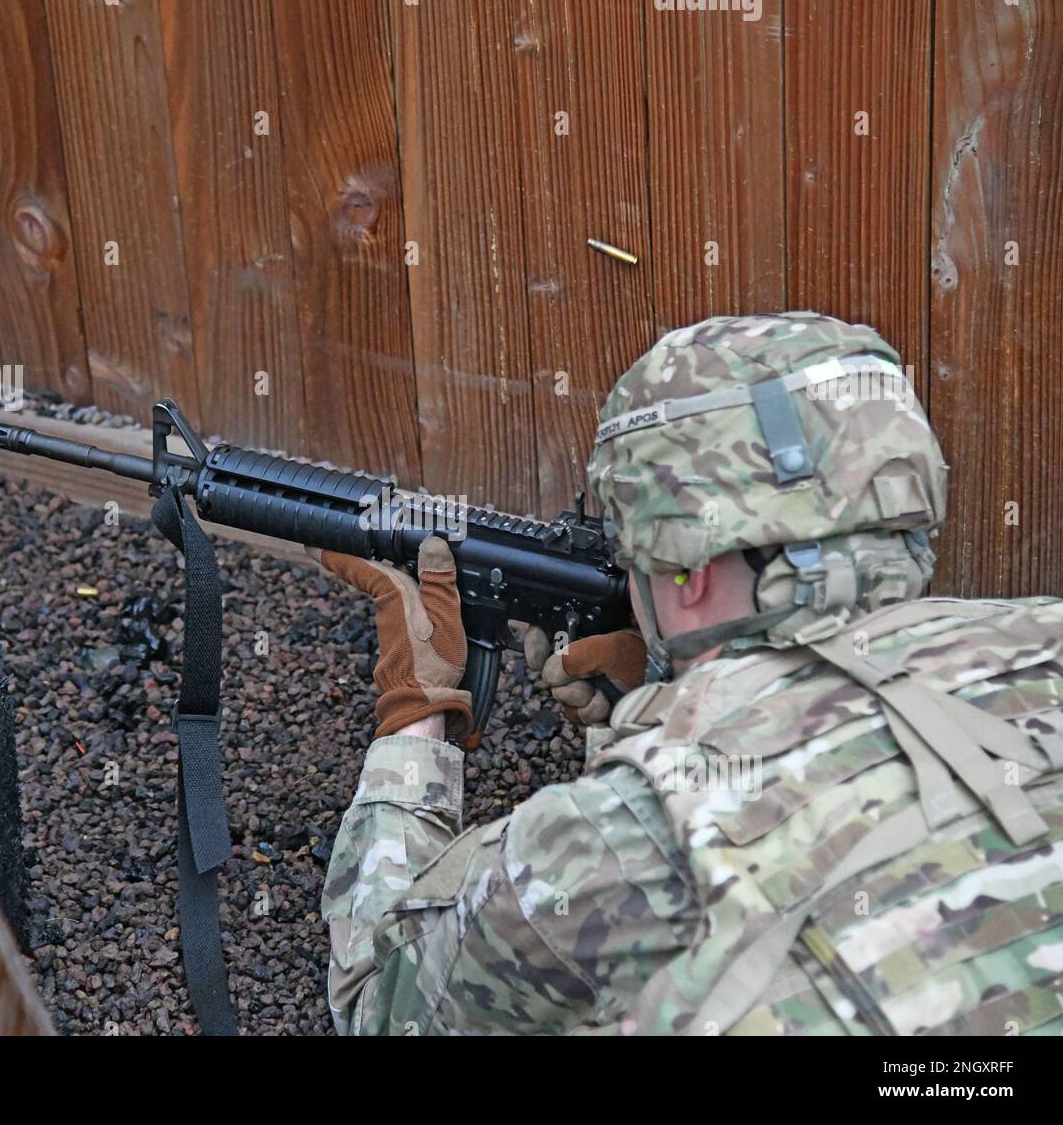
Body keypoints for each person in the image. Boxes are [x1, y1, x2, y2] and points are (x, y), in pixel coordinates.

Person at [313, 312, 1063, 1036]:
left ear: (691, 572)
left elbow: (385, 1005)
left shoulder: (606, 839)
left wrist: (416, 718)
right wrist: (655, 712)